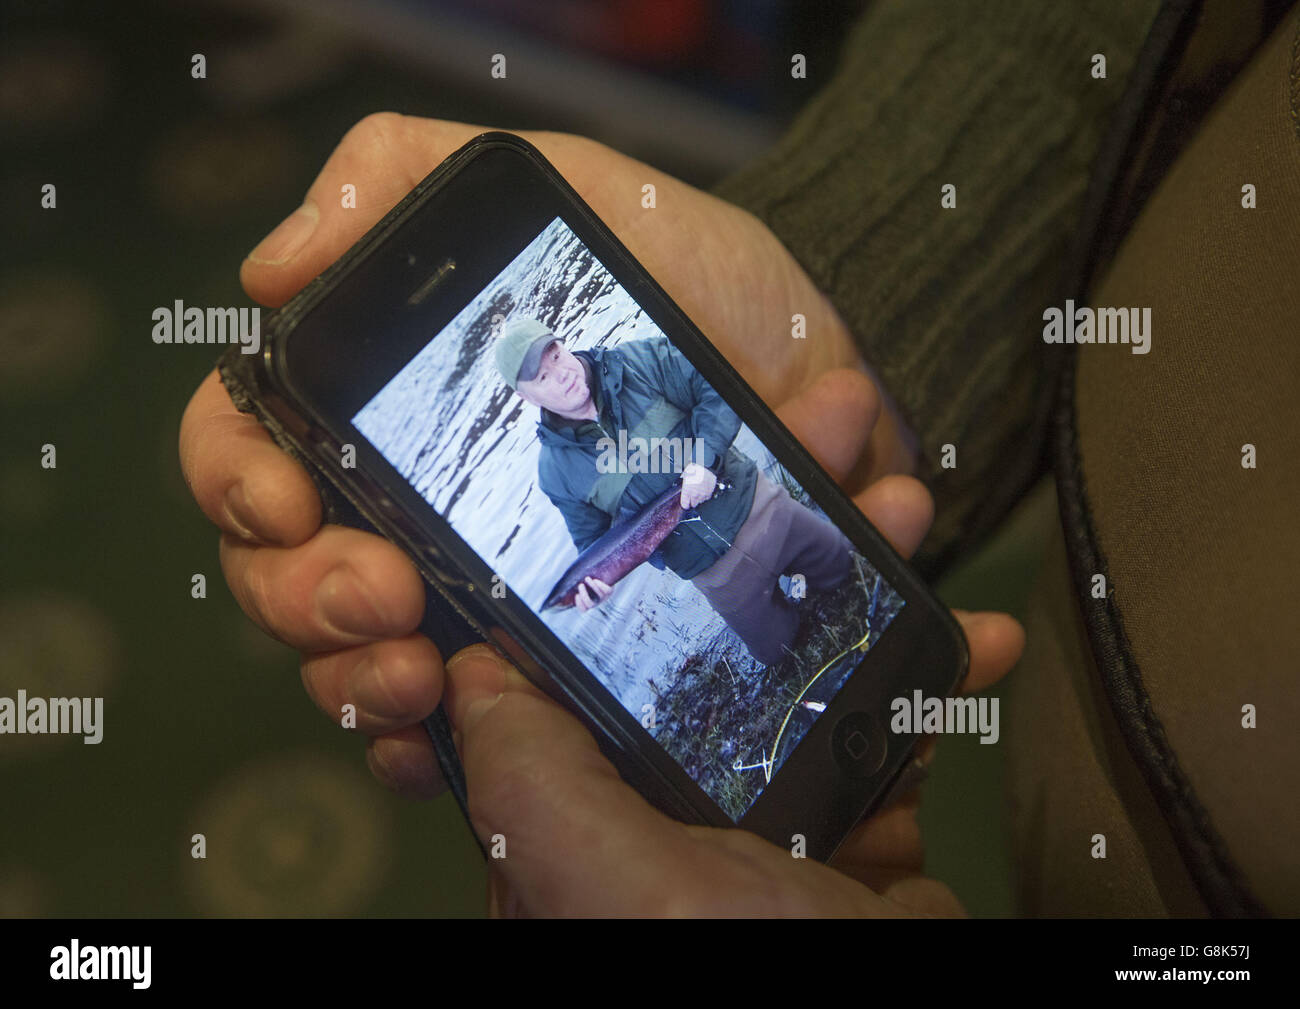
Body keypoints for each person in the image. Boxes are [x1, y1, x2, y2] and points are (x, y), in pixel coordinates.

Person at [497, 317, 855, 666]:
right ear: (526, 396)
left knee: (844, 567)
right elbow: (593, 542)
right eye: (543, 376)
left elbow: (717, 384)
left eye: (556, 354)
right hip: (717, 575)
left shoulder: (638, 361)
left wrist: (704, 458)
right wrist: (594, 586)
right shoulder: (554, 473)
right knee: (782, 656)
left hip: (764, 507)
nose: (562, 374)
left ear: (562, 343)